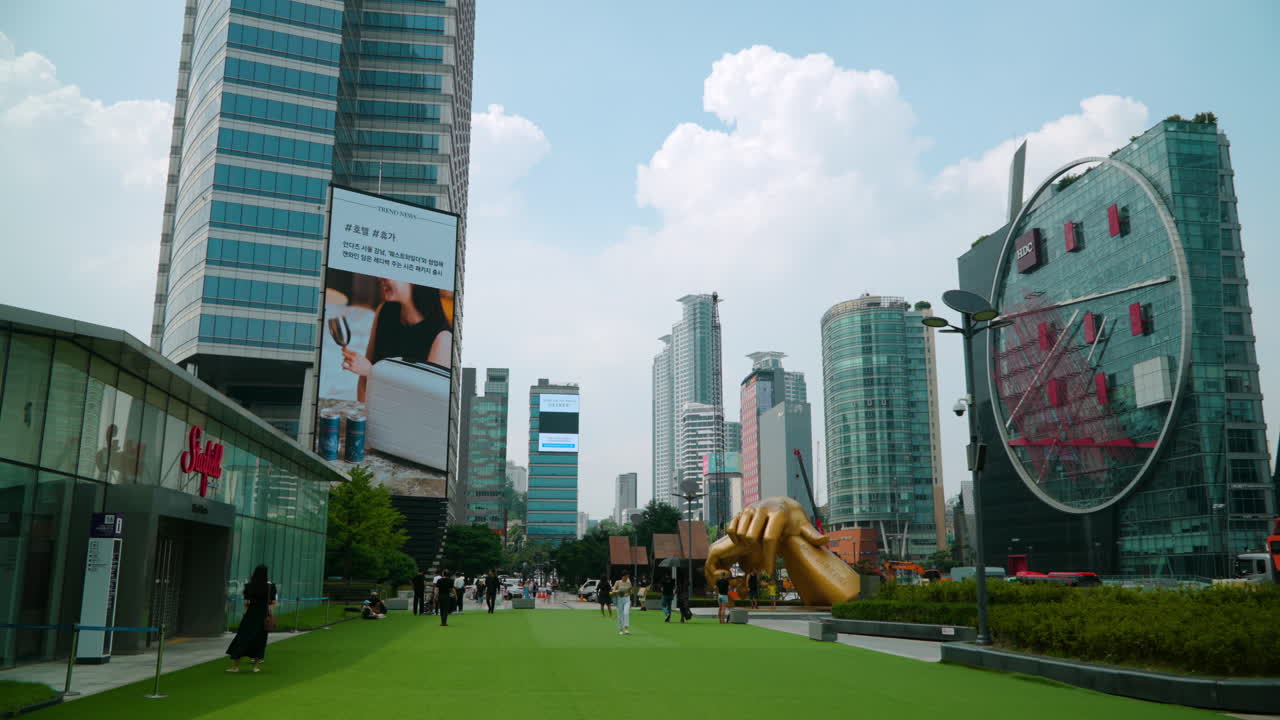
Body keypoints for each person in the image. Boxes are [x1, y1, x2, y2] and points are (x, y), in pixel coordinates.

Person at [342, 280, 453, 403]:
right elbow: (365, 376)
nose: (380, 278)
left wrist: (372, 373)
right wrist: (363, 415)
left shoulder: (442, 339)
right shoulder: (385, 310)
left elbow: (424, 404)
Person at [226, 565, 276, 673]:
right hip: (263, 615)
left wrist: (244, 614)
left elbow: (246, 603)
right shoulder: (270, 587)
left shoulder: (249, 586)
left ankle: (235, 667)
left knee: (242, 638)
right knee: (260, 640)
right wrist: (270, 614)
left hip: (251, 615)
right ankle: (256, 667)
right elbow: (272, 603)